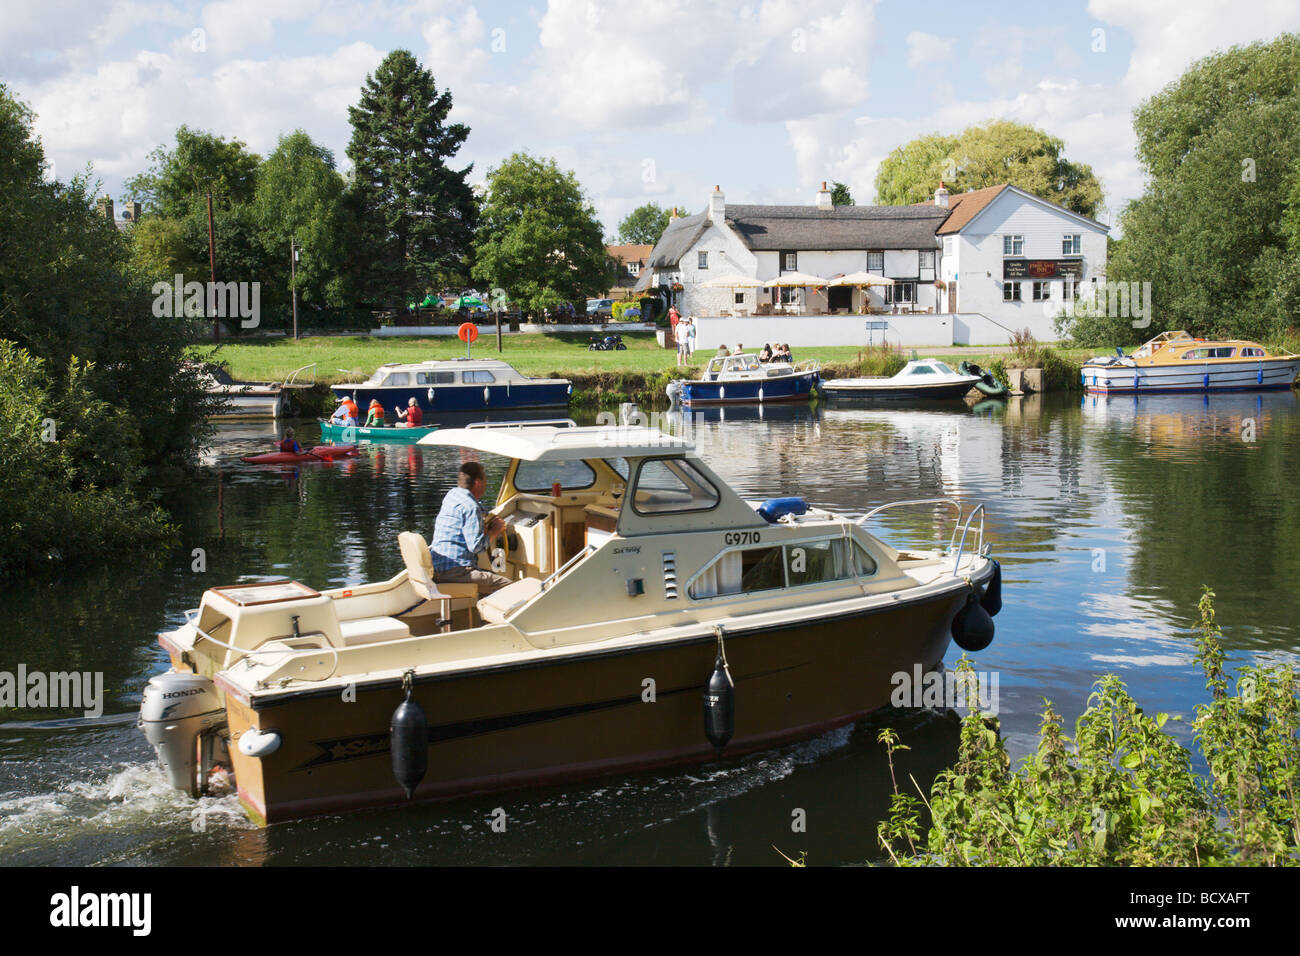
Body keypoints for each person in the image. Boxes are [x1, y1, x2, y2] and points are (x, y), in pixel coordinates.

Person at [430, 461, 511, 595]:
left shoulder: (452, 495)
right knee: (511, 587)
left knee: (488, 578)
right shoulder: (471, 508)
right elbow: (476, 547)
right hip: (456, 571)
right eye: (485, 480)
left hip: (436, 568)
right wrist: (494, 531)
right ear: (478, 483)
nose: (486, 484)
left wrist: (483, 524)